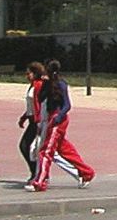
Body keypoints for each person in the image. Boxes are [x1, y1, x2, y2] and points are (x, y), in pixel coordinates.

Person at [30, 58, 96, 190]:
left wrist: (58, 117)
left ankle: (41, 181)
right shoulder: (48, 84)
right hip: (50, 118)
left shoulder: (61, 84)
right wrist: (45, 84)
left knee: (46, 151)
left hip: (57, 120)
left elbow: (67, 105)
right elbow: (41, 98)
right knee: (64, 149)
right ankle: (87, 172)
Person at [16, 63, 46, 176]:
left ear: (35, 73)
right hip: (32, 119)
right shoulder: (32, 85)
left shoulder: (38, 85)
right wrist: (24, 117)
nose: (27, 76)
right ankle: (36, 171)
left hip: (37, 121)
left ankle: (36, 172)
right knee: (27, 146)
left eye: (29, 73)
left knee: (25, 146)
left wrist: (39, 121)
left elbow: (39, 104)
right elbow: (31, 105)